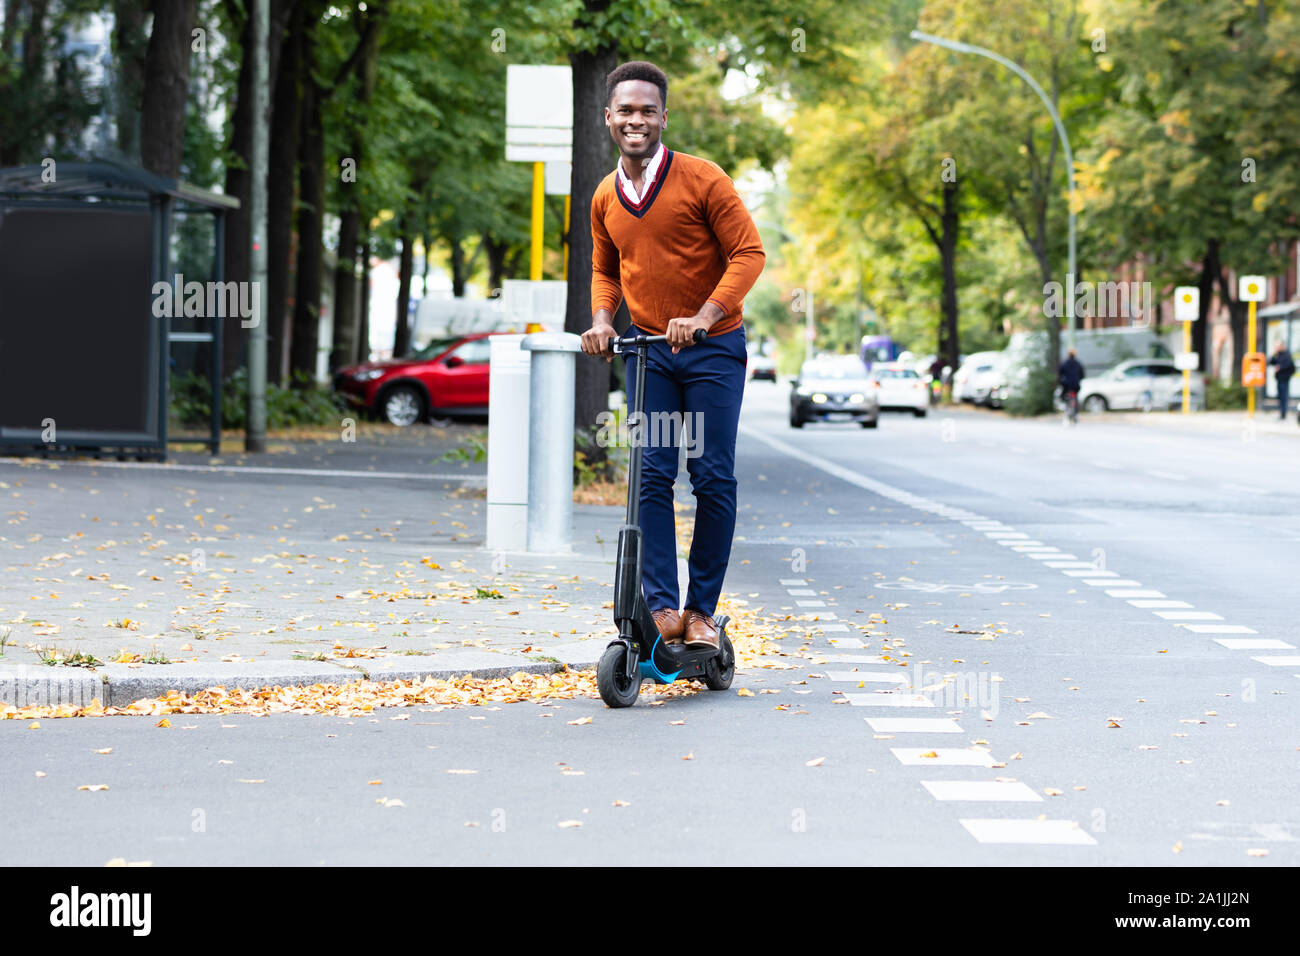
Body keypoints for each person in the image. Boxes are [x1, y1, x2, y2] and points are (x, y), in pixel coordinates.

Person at [579, 60, 765, 651]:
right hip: (650, 353)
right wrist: (603, 321)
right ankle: (661, 609)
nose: (636, 120)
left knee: (710, 476)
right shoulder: (606, 195)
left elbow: (749, 254)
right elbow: (605, 269)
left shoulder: (704, 179)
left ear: (664, 117)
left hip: (713, 352)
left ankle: (703, 612)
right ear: (609, 117)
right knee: (650, 476)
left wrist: (706, 316)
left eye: (647, 110)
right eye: (625, 110)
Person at [1268, 340, 1294, 420]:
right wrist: (1274, 354)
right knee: (1280, 397)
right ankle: (1281, 413)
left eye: (1278, 346)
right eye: (1276, 346)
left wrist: (1280, 368)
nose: (1277, 348)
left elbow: (1291, 367)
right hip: (1279, 379)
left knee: (1283, 397)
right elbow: (1270, 362)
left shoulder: (1287, 355)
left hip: (1284, 379)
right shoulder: (1277, 355)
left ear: (1282, 346)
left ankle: (1283, 414)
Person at [1058, 349, 1085, 420]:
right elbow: (1082, 375)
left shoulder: (1064, 363)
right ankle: (1076, 413)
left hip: (1067, 385)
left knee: (1063, 396)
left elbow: (1060, 373)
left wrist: (1060, 381)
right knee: (1076, 397)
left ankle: (1064, 406)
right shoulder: (1078, 363)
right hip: (1076, 385)